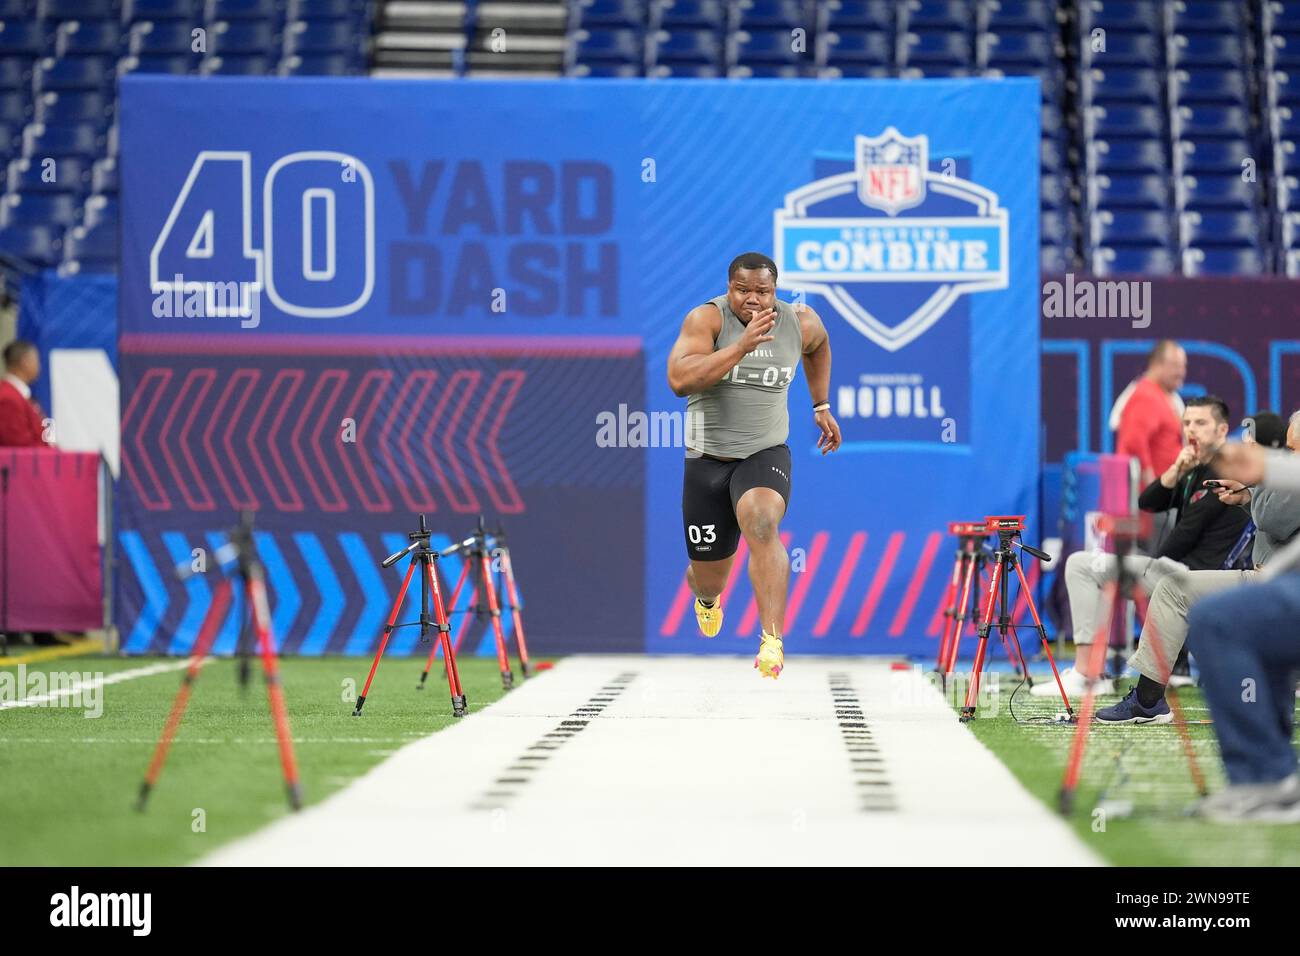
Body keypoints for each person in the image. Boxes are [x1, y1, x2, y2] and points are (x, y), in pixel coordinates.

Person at [667, 252, 841, 679]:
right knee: (709, 579)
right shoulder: (706, 320)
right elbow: (679, 380)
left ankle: (771, 641)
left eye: (762, 292)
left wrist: (821, 403)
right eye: (743, 291)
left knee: (762, 522)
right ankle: (707, 599)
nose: (753, 300)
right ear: (729, 289)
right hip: (707, 461)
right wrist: (741, 348)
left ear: (775, 291)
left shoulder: (799, 322)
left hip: (764, 453)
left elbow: (818, 347)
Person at [1033, 396, 1249, 698]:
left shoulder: (1224, 472)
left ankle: (1088, 675)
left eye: (1201, 423)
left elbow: (1183, 536)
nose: (1191, 430)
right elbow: (1147, 502)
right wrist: (1175, 470)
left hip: (1190, 577)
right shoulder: (1197, 469)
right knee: (1086, 564)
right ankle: (1093, 672)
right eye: (1186, 423)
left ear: (1222, 430)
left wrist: (1144, 566)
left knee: (1082, 565)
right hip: (1180, 571)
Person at [1095, 410, 1300, 723]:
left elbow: (1273, 519)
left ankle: (1147, 700)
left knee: (1174, 589)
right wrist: (1247, 495)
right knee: (1174, 588)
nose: (1288, 454)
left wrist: (1258, 478)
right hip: (1270, 580)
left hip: (1279, 586)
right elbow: (1150, 502)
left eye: (1293, 448)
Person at [1112, 339, 1186, 487]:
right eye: (1175, 366)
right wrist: (1151, 487)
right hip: (1148, 501)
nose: (1181, 372)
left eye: (1183, 366)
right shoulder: (1146, 396)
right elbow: (1133, 441)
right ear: (1156, 365)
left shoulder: (1164, 396)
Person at [0, 339, 50, 447]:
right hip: (27, 462)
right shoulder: (8, 399)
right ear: (25, 362)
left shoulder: (21, 396)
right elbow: (19, 445)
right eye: (36, 360)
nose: (39, 366)